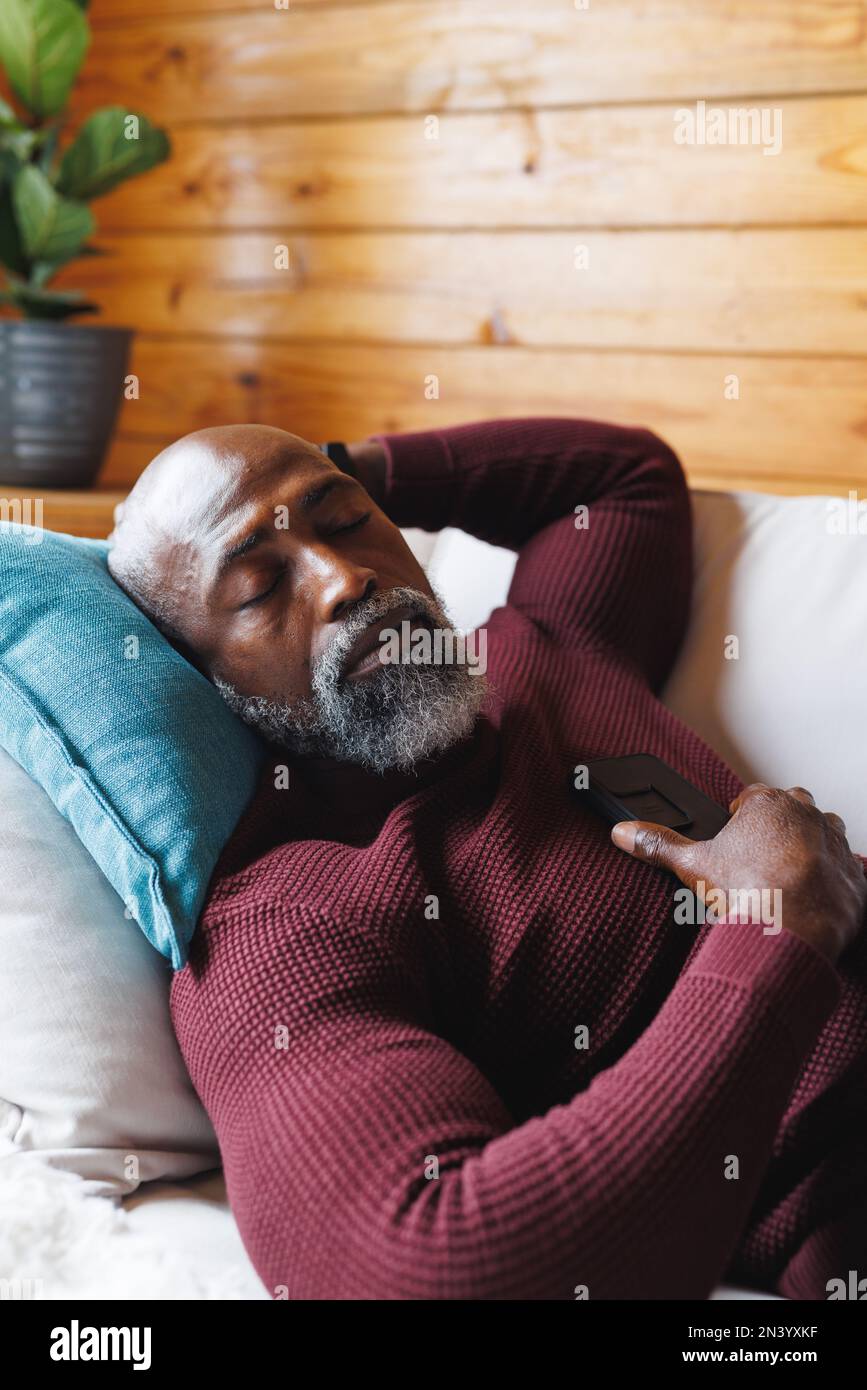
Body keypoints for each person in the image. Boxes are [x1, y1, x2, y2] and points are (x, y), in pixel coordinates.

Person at [108, 416, 867, 1300]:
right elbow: (430, 1272)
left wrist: (340, 466)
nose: (346, 578)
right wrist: (773, 929)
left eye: (345, 521)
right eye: (261, 583)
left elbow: (620, 478)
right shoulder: (282, 929)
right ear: (198, 674)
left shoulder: (546, 653)